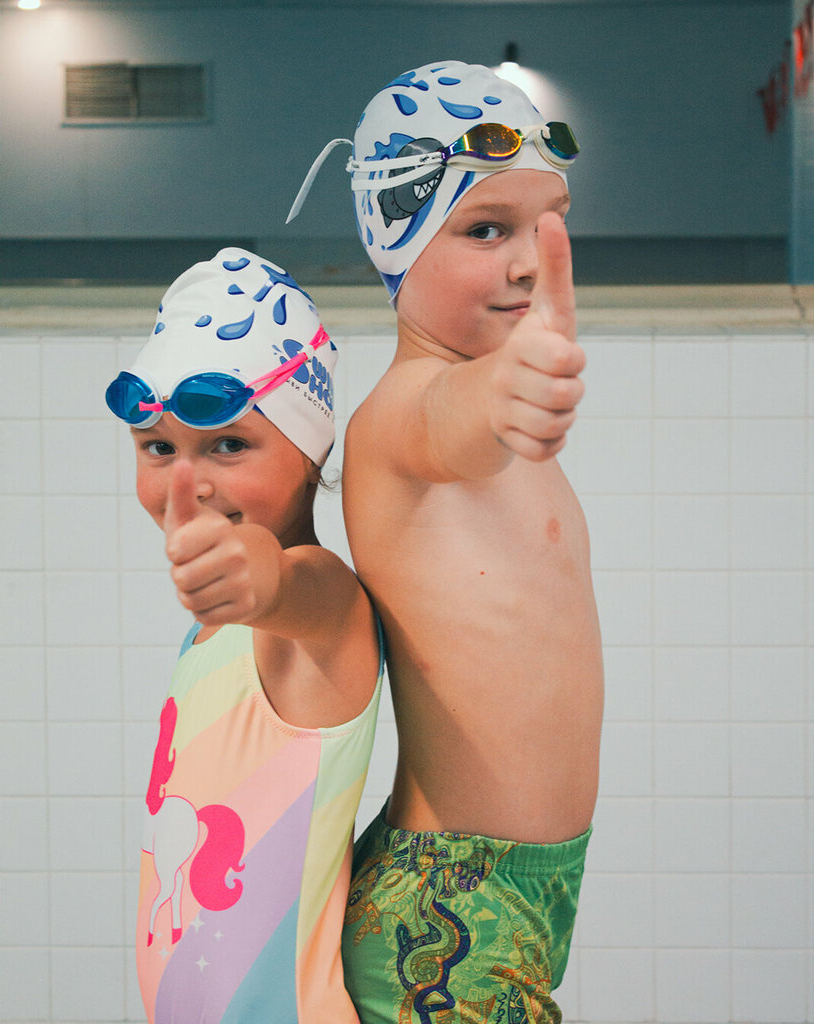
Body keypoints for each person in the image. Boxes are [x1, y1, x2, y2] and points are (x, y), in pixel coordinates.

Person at [288, 61, 603, 1023]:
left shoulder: (480, 399)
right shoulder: (402, 419)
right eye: (484, 229)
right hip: (446, 910)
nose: (525, 260)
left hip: (524, 892)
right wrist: (508, 396)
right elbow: (457, 418)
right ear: (397, 244)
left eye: (546, 226)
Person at [106, 248, 383, 1024]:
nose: (185, 483)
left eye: (227, 444)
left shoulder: (322, 617)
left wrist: (262, 575)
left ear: (310, 448)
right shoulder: (210, 637)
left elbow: (299, 592)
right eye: (158, 448)